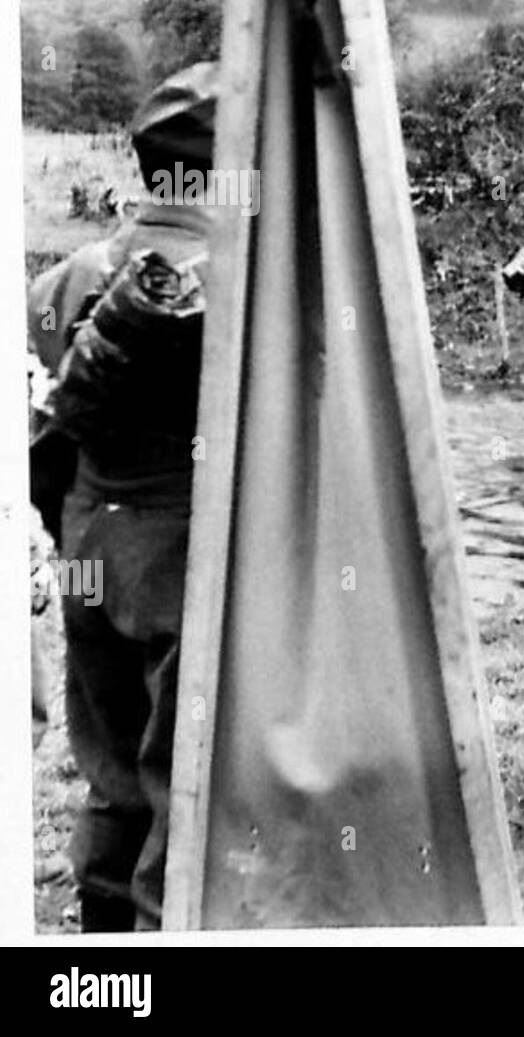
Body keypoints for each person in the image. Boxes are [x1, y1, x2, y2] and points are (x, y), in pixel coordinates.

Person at [28, 63, 218, 931]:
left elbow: (41, 443)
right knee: (183, 781)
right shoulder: (238, 293)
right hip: (182, 556)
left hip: (87, 547)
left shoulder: (65, 278)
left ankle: (99, 942)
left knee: (109, 768)